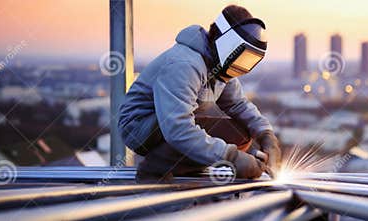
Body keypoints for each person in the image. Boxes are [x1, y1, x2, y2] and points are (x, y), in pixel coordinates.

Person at [118, 5, 281, 184]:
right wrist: (232, 158)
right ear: (227, 44)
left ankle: (184, 166)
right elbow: (178, 128)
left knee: (240, 133)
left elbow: (238, 105)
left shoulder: (220, 65)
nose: (240, 66)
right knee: (188, 131)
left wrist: (265, 134)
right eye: (240, 57)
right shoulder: (184, 64)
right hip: (139, 127)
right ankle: (154, 169)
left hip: (168, 124)